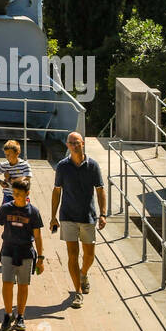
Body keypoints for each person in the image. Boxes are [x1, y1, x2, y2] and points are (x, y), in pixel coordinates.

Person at [0, 178, 45, 331]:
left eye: (19, 194)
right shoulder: (6, 209)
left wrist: (40, 258)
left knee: (23, 285)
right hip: (8, 250)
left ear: (27, 194)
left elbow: (38, 236)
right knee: (7, 283)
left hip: (26, 252)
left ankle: (20, 316)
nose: (16, 196)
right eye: (14, 193)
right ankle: (8, 314)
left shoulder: (33, 212)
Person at [50, 131, 106, 308]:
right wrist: (53, 216)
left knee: (89, 255)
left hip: (88, 216)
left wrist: (103, 214)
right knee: (72, 255)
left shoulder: (93, 166)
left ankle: (83, 274)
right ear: (67, 145)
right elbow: (57, 190)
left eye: (77, 142)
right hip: (68, 216)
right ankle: (78, 292)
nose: (74, 145)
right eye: (71, 143)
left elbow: (100, 190)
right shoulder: (62, 166)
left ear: (83, 144)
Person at [0, 139, 32, 204]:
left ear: (17, 152)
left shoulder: (25, 165)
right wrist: (0, 182)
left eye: (9, 154)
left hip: (22, 197)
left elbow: (24, 180)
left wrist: (9, 179)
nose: (7, 157)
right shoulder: (4, 165)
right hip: (8, 197)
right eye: (6, 155)